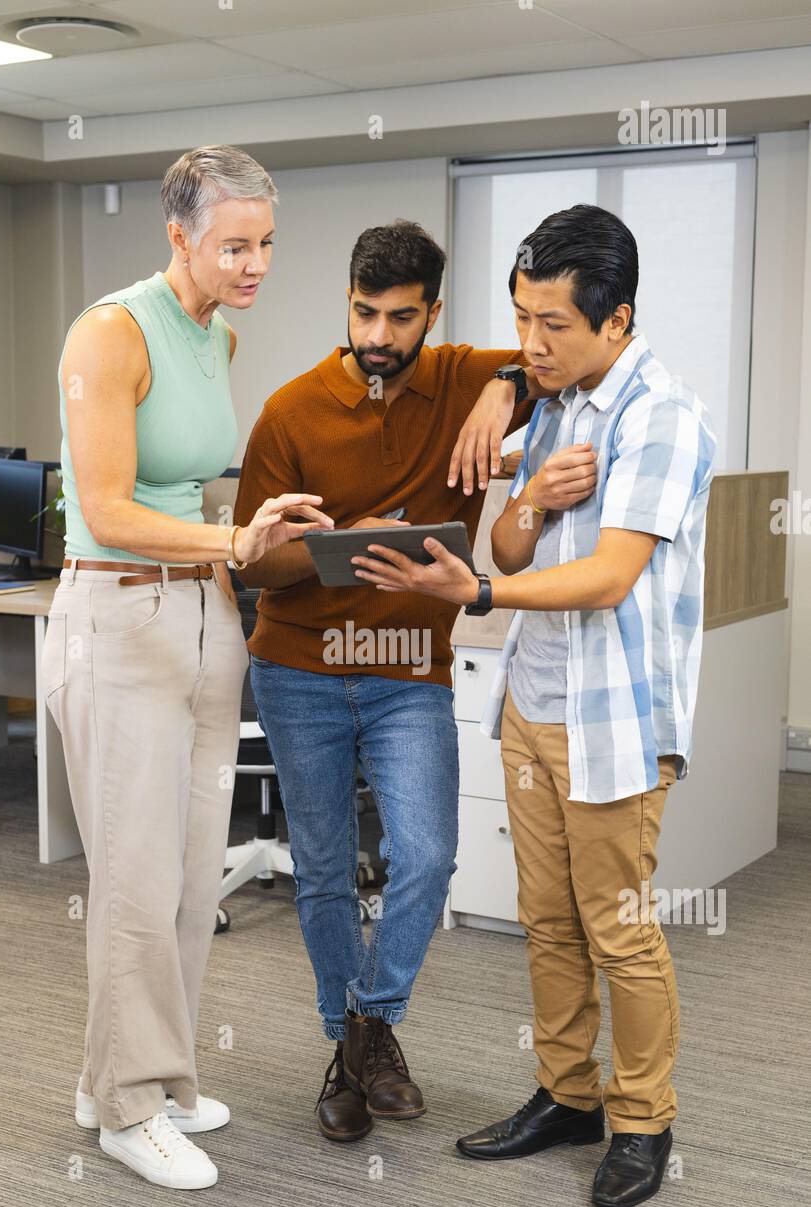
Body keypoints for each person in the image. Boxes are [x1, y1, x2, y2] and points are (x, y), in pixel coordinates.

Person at [352, 204, 715, 1207]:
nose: (530, 344)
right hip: (533, 702)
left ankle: (644, 1116)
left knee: (619, 927)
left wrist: (472, 593)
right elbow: (510, 546)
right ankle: (569, 1092)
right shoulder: (549, 401)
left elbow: (605, 579)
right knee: (546, 920)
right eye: (521, 319)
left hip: (614, 719)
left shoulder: (662, 418)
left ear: (618, 316)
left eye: (553, 325)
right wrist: (532, 498)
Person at [42, 144, 332, 1190]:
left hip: (202, 621)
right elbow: (112, 509)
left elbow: (186, 497)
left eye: (265, 244)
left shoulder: (220, 336)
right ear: (179, 235)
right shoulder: (110, 332)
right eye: (233, 245)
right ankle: (126, 1108)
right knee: (133, 874)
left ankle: (142, 1079)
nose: (254, 263)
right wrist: (235, 540)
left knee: (188, 870)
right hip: (117, 621)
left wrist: (253, 538)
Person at [232, 219, 542, 1142]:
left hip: (410, 672)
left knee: (427, 856)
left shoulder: (459, 376)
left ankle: (364, 1028)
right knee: (326, 872)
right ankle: (352, 1048)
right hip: (298, 671)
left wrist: (503, 391)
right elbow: (250, 567)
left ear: (431, 314)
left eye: (399, 318)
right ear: (348, 305)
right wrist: (328, 547)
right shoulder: (291, 411)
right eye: (364, 313)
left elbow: (562, 356)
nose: (377, 336)